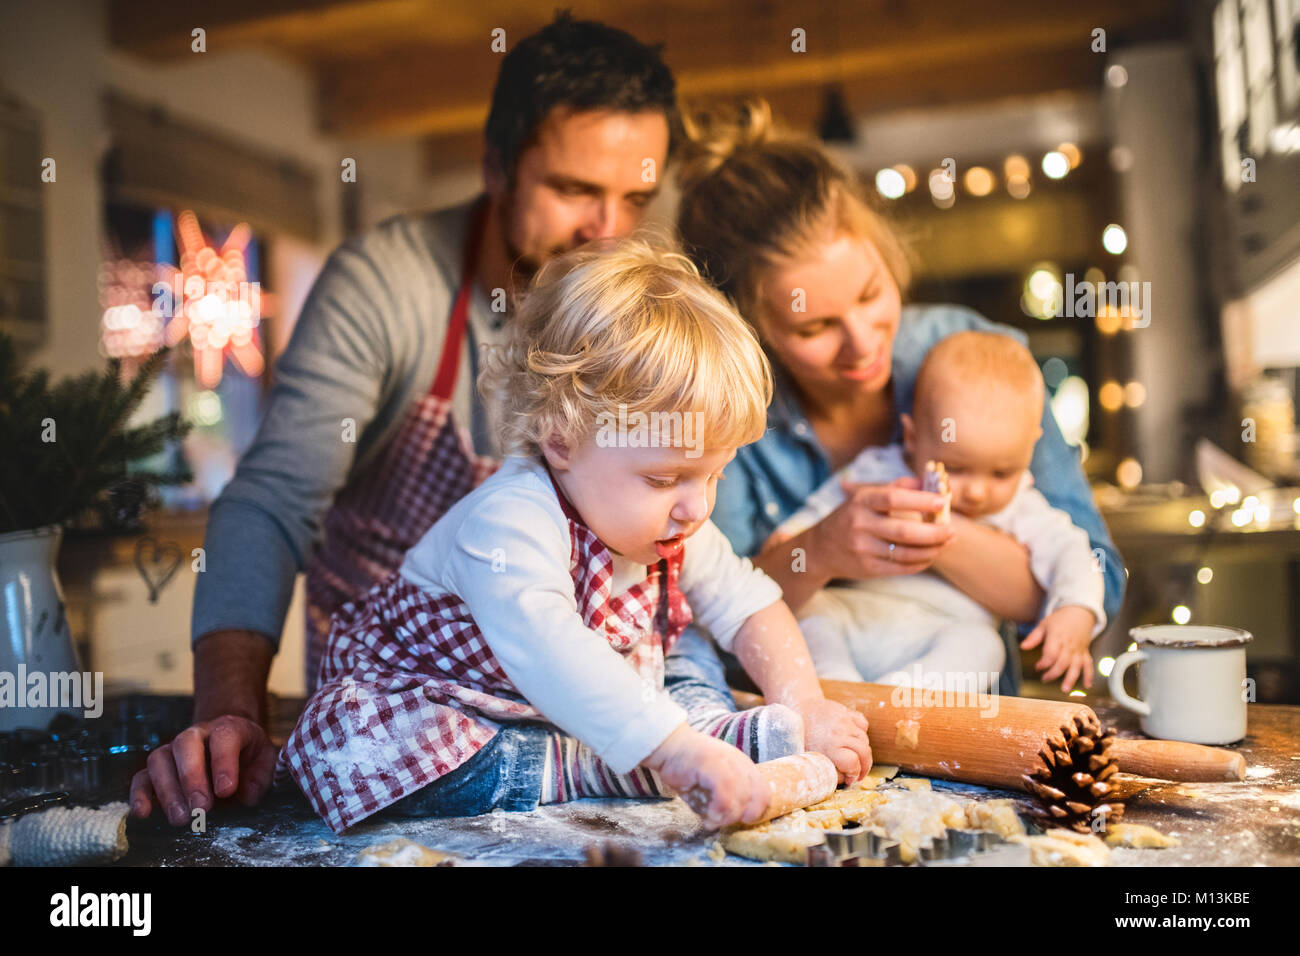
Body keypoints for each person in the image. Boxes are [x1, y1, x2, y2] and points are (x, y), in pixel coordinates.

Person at [131, 13, 686, 827]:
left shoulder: (630, 311)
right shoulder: (385, 285)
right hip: (400, 744)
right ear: (496, 165)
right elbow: (272, 502)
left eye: (633, 198)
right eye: (574, 190)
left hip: (583, 734)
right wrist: (228, 712)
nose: (607, 231)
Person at [280, 237, 873, 834]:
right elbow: (553, 651)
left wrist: (806, 705)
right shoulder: (511, 519)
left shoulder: (673, 516)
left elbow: (749, 606)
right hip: (434, 706)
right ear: (560, 439)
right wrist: (672, 752)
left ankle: (702, 733)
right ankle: (616, 764)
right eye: (664, 477)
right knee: (367, 755)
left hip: (570, 708)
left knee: (688, 644)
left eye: (714, 473)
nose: (697, 506)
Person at [673, 100, 1124, 690]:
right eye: (814, 327)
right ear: (748, 330)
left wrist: (925, 531)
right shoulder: (726, 405)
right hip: (813, 703)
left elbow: (1099, 580)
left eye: (869, 294)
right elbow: (704, 615)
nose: (862, 344)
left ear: (886, 257)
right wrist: (823, 549)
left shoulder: (976, 354)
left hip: (962, 704)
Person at [769, 331, 1106, 694]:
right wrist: (793, 537)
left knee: (985, 648)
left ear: (1030, 448)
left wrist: (1076, 609)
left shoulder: (1022, 505)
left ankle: (898, 698)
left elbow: (1073, 553)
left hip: (942, 633)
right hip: (853, 612)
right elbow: (818, 519)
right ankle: (839, 686)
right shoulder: (874, 471)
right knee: (808, 614)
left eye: (1001, 472)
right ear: (912, 439)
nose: (977, 492)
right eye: (956, 469)